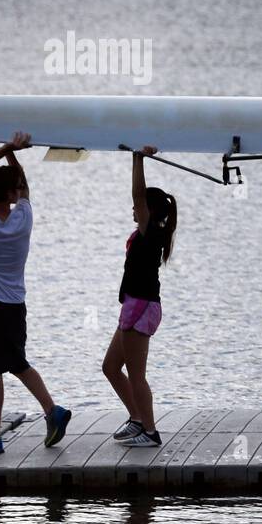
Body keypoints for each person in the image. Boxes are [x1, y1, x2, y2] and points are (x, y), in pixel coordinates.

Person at [0, 131, 71, 454]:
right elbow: (25, 187)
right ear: (12, 194)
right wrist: (15, 153)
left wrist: (4, 149)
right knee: (18, 363)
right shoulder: (23, 219)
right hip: (15, 306)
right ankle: (51, 409)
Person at [103, 146, 176, 448]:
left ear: (149, 210)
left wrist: (138, 158)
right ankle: (137, 419)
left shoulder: (152, 231)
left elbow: (137, 194)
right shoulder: (146, 231)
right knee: (110, 367)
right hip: (134, 305)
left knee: (137, 376)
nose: (133, 209)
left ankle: (150, 431)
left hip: (142, 307)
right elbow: (137, 199)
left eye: (139, 206)